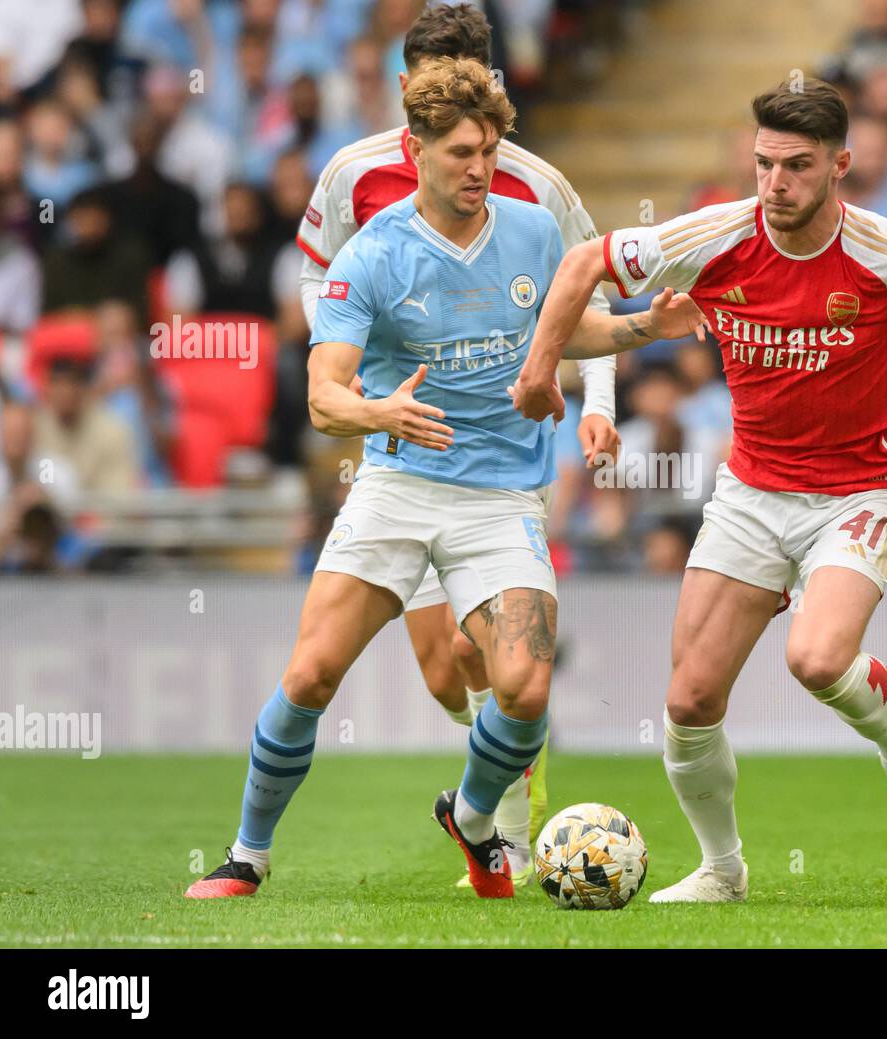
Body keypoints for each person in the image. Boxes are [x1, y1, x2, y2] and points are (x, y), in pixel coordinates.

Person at [512, 77, 887, 903]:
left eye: (796, 167)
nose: (775, 184)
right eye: (764, 164)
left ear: (842, 165)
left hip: (859, 489)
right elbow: (587, 262)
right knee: (690, 697)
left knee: (816, 655)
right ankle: (723, 870)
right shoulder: (718, 235)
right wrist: (543, 370)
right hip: (753, 490)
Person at [184, 57, 703, 902]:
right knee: (313, 674)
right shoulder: (375, 252)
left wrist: (649, 324)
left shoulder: (534, 234)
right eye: (461, 151)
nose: (479, 168)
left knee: (525, 688)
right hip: (396, 485)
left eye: (490, 151)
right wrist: (378, 414)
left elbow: (574, 332)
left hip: (500, 496)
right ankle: (247, 855)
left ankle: (470, 814)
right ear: (416, 148)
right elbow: (323, 396)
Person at [293, 2, 622, 885]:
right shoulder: (353, 174)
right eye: (431, 82)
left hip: (502, 451)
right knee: (447, 670)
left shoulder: (537, 187)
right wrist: (346, 364)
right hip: (400, 446)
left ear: (495, 85)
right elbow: (318, 273)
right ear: (406, 91)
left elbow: (579, 298)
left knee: (494, 657)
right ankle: (495, 779)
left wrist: (599, 397)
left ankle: (505, 825)